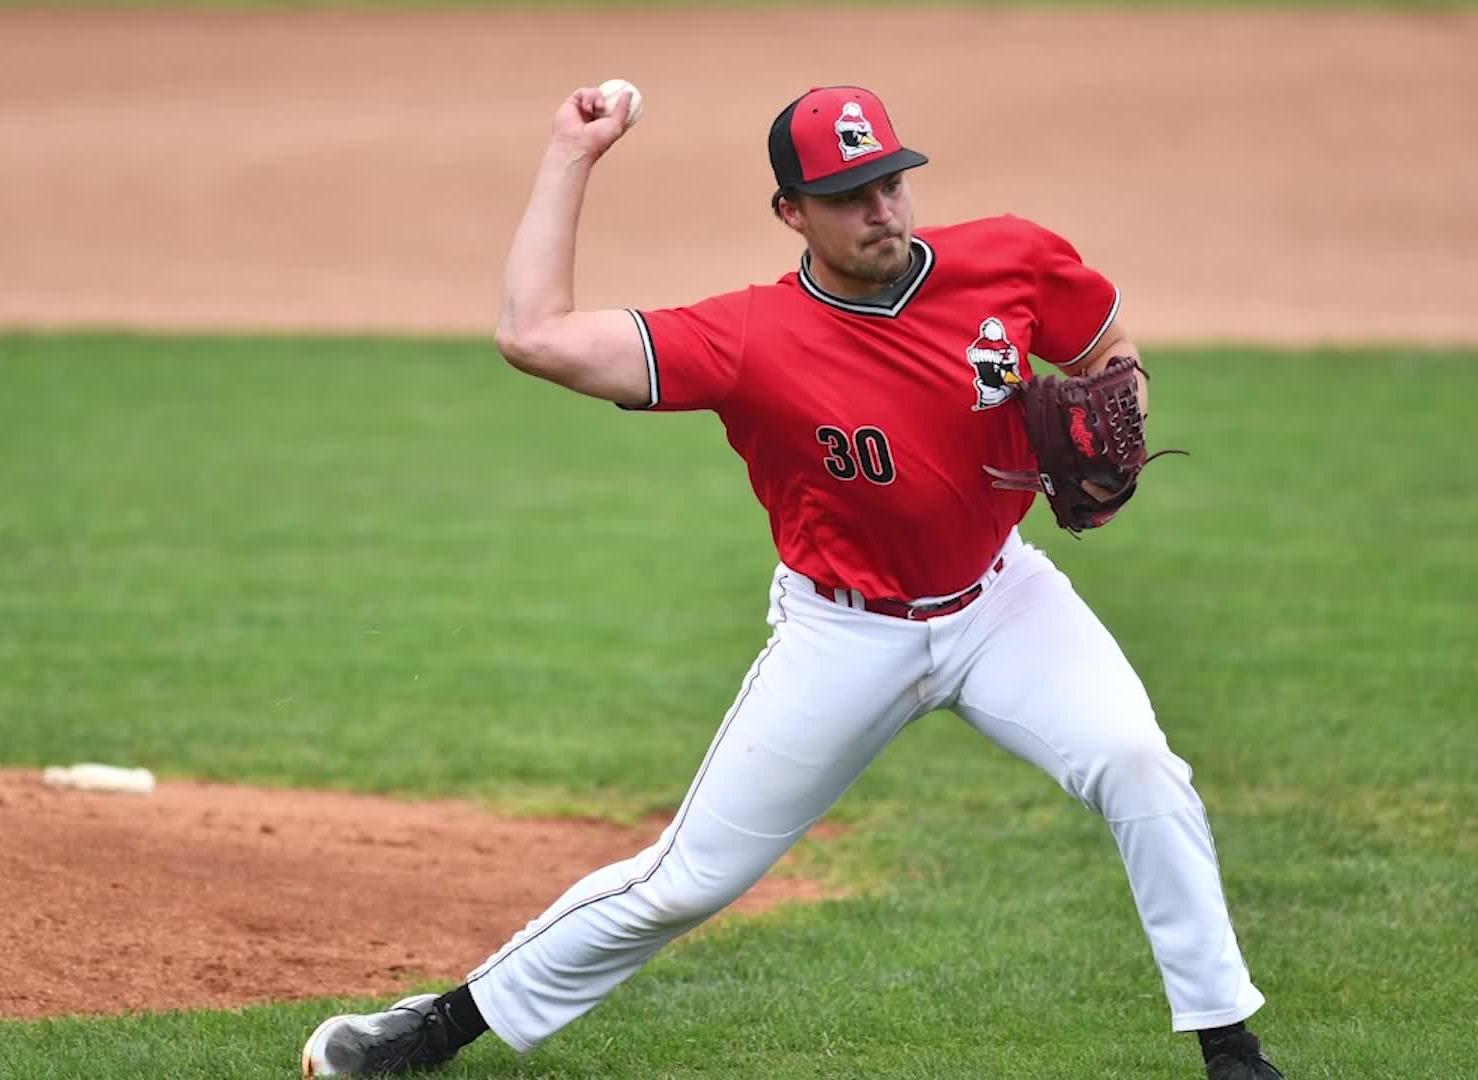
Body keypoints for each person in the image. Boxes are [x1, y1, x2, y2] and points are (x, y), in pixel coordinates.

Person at [300, 84, 1283, 1080]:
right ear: (792, 212)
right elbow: (534, 336)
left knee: (1138, 762)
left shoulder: (1011, 258)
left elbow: (1107, 348)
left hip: (1002, 600)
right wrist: (571, 154)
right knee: (686, 879)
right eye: (850, 196)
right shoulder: (748, 339)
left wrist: (1125, 420)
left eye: (891, 183)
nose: (882, 210)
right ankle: (434, 1027)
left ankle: (1231, 1049)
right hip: (845, 635)